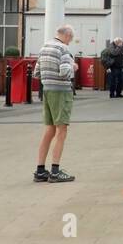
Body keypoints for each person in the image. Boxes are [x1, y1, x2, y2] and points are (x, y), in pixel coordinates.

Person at [33, 24, 78, 183]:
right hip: (61, 92)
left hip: (47, 91)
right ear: (67, 36)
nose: (70, 42)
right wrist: (73, 67)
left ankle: (40, 170)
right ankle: (55, 171)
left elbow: (36, 73)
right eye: (70, 39)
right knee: (61, 130)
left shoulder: (44, 47)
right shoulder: (63, 50)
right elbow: (65, 72)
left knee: (49, 130)